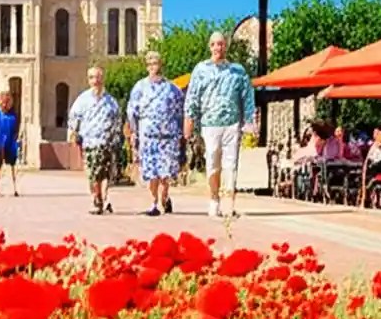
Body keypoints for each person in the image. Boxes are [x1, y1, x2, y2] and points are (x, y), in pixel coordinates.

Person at [183, 31, 256, 219]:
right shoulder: (201, 70)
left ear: (226, 46)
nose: (218, 48)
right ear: (210, 47)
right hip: (210, 124)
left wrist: (249, 121)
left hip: (232, 123)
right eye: (215, 44)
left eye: (221, 44)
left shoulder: (238, 71)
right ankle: (214, 198)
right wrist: (189, 120)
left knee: (231, 165)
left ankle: (229, 203)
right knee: (213, 164)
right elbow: (192, 96)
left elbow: (247, 97)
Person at [127, 51, 185, 216]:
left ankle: (164, 197)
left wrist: (181, 133)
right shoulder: (140, 87)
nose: (154, 67)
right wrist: (134, 132)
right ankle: (154, 202)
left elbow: (180, 111)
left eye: (156, 63)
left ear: (161, 65)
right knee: (152, 172)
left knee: (165, 172)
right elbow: (132, 111)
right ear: (147, 67)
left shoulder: (172, 88)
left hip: (168, 137)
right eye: (150, 64)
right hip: (148, 137)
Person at [68, 65, 121, 215]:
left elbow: (117, 119)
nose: (95, 81)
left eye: (98, 77)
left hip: (106, 143)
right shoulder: (82, 100)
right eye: (92, 77)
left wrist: (116, 138)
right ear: (88, 80)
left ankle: (103, 199)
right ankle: (97, 199)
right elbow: (74, 117)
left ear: (102, 79)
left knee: (105, 174)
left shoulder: (110, 101)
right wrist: (74, 133)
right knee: (93, 174)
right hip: (90, 143)